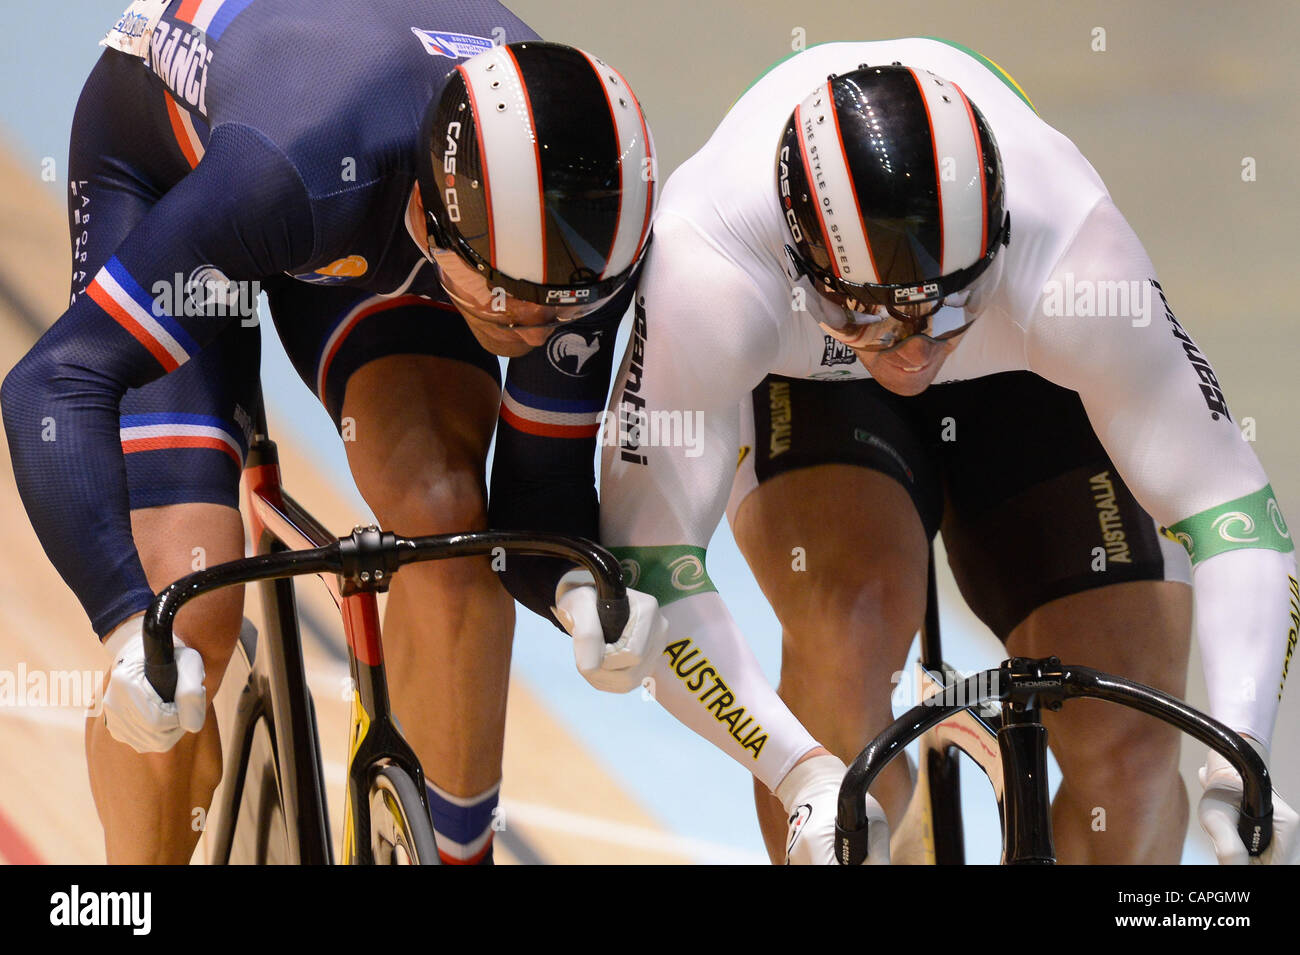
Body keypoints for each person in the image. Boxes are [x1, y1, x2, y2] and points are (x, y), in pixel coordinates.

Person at [597, 38, 1297, 864]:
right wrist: (801, 775)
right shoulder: (711, 265)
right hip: (815, 375)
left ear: (999, 237)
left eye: (944, 315)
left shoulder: (1071, 252)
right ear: (797, 261)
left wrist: (1239, 749)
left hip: (1021, 366)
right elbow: (647, 565)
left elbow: (1235, 515)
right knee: (849, 629)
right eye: (869, 318)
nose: (911, 354)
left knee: (1134, 752)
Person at [1, 0, 663, 864]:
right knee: (185, 617)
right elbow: (54, 381)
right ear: (431, 225)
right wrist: (128, 625)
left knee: (449, 521)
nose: (536, 334)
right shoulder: (289, 173)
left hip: (363, 196)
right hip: (185, 170)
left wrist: (578, 591)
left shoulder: (586, 240)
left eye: (559, 312)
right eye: (513, 305)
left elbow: (536, 498)